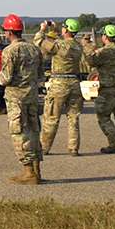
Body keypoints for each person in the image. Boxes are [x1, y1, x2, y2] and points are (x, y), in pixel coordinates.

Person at [0, 14, 44, 183]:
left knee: (20, 133)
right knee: (34, 131)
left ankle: (29, 172)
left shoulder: (10, 51)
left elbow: (6, 79)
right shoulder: (34, 49)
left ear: (9, 32)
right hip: (32, 97)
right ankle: (37, 171)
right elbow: (40, 75)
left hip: (16, 98)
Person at [39, 17, 87, 156]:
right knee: (73, 118)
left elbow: (40, 43)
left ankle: (44, 148)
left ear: (65, 29)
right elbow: (65, 42)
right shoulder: (78, 46)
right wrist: (57, 31)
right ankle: (73, 147)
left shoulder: (60, 46)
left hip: (59, 83)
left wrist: (42, 30)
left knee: (52, 117)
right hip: (74, 83)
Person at [86, 24, 115, 153]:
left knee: (102, 115)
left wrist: (93, 52)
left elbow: (89, 61)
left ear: (105, 36)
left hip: (109, 88)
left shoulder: (104, 52)